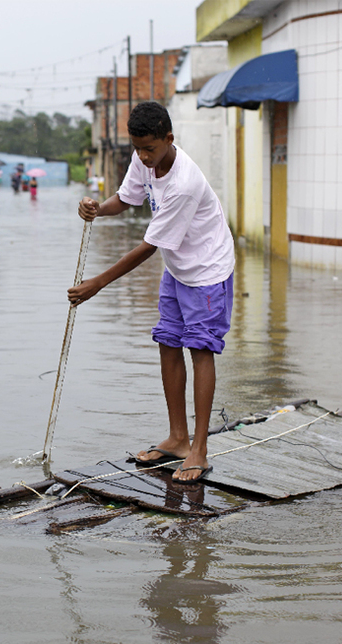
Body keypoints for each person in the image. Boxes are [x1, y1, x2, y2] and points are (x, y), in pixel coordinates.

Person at [67, 101, 235, 484]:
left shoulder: (184, 185)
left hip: (207, 270)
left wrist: (98, 283)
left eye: (150, 149)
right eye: (138, 148)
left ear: (169, 140)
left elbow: (148, 246)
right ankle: (178, 438)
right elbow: (126, 199)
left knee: (201, 348)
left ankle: (199, 449)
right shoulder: (143, 159)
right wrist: (98, 208)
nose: (143, 156)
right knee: (167, 342)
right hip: (179, 267)